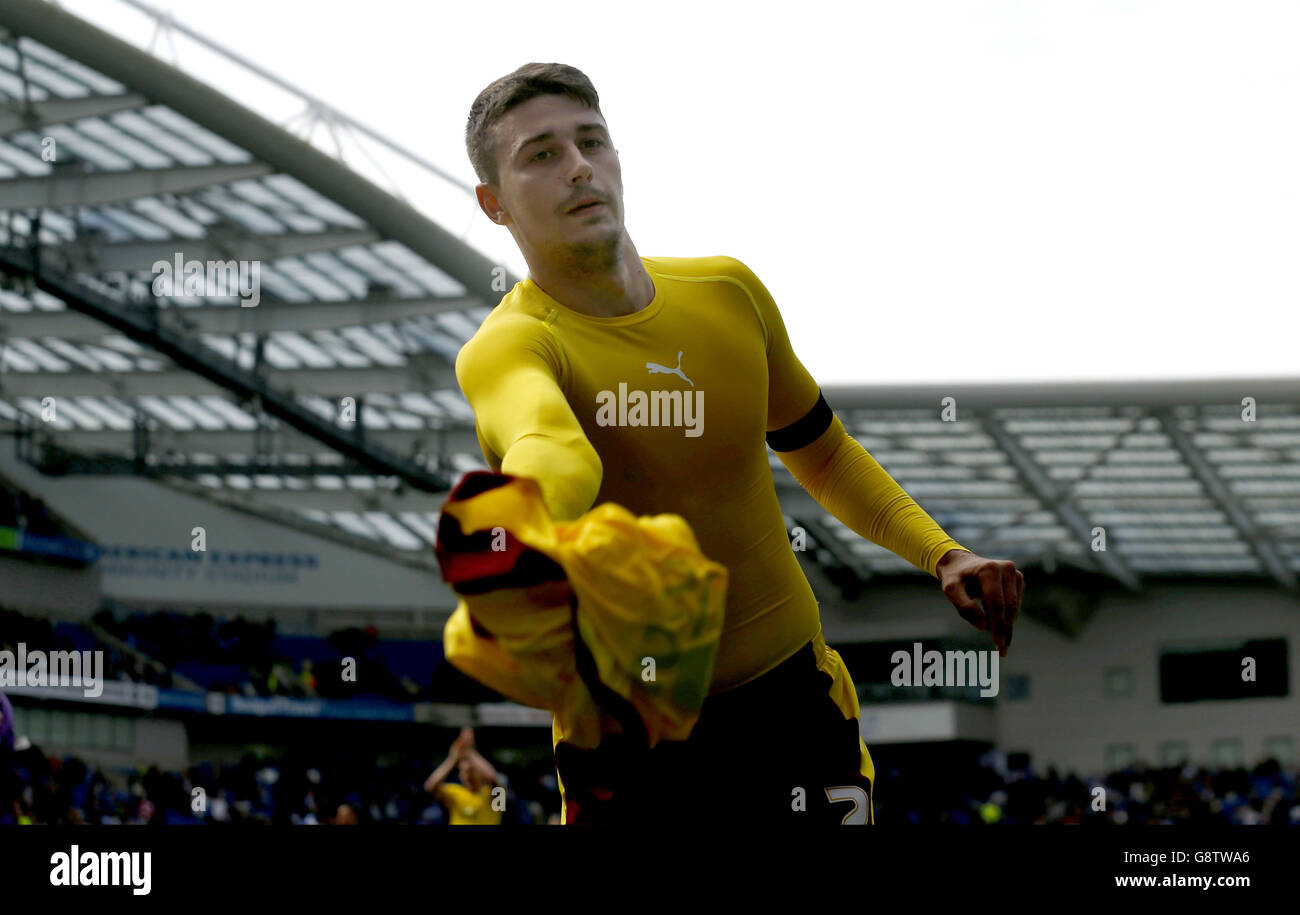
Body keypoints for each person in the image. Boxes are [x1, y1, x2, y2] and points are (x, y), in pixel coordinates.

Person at [456, 63, 1024, 824]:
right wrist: (514, 522)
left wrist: (942, 551)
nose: (579, 166)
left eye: (592, 141)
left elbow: (819, 450)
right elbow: (551, 446)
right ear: (494, 204)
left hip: (798, 709)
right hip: (631, 742)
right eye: (542, 154)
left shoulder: (728, 293)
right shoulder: (509, 346)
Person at [423, 728, 503, 825]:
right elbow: (429, 787)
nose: (467, 775)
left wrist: (470, 751)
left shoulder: (495, 795)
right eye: (463, 771)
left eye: (471, 770)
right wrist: (452, 759)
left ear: (481, 773)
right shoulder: (456, 793)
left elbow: (493, 778)